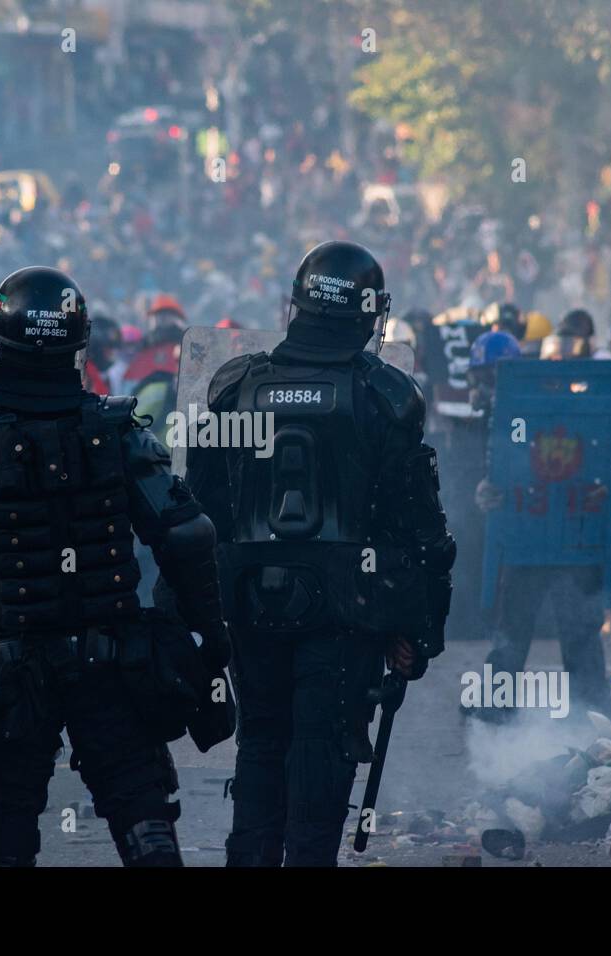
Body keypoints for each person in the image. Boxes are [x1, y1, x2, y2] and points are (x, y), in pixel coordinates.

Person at [0, 266, 232, 867]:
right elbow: (186, 534)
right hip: (108, 661)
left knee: (6, 827)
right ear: (78, 342)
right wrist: (208, 633)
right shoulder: (115, 430)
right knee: (141, 812)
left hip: (7, 668)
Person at [183, 240, 455, 866]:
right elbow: (422, 535)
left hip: (252, 609)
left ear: (297, 306)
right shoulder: (387, 396)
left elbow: (200, 515)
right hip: (346, 618)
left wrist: (201, 623)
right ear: (367, 313)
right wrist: (419, 633)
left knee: (260, 749)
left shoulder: (234, 387)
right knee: (322, 763)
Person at [470, 330, 611, 718]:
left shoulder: (571, 411)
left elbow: (597, 468)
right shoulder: (503, 415)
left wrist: (600, 494)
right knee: (516, 628)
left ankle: (592, 711)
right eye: (482, 377)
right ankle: (498, 705)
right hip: (532, 534)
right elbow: (499, 473)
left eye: (490, 376)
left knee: (576, 630)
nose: (484, 386)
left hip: (564, 533)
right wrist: (488, 491)